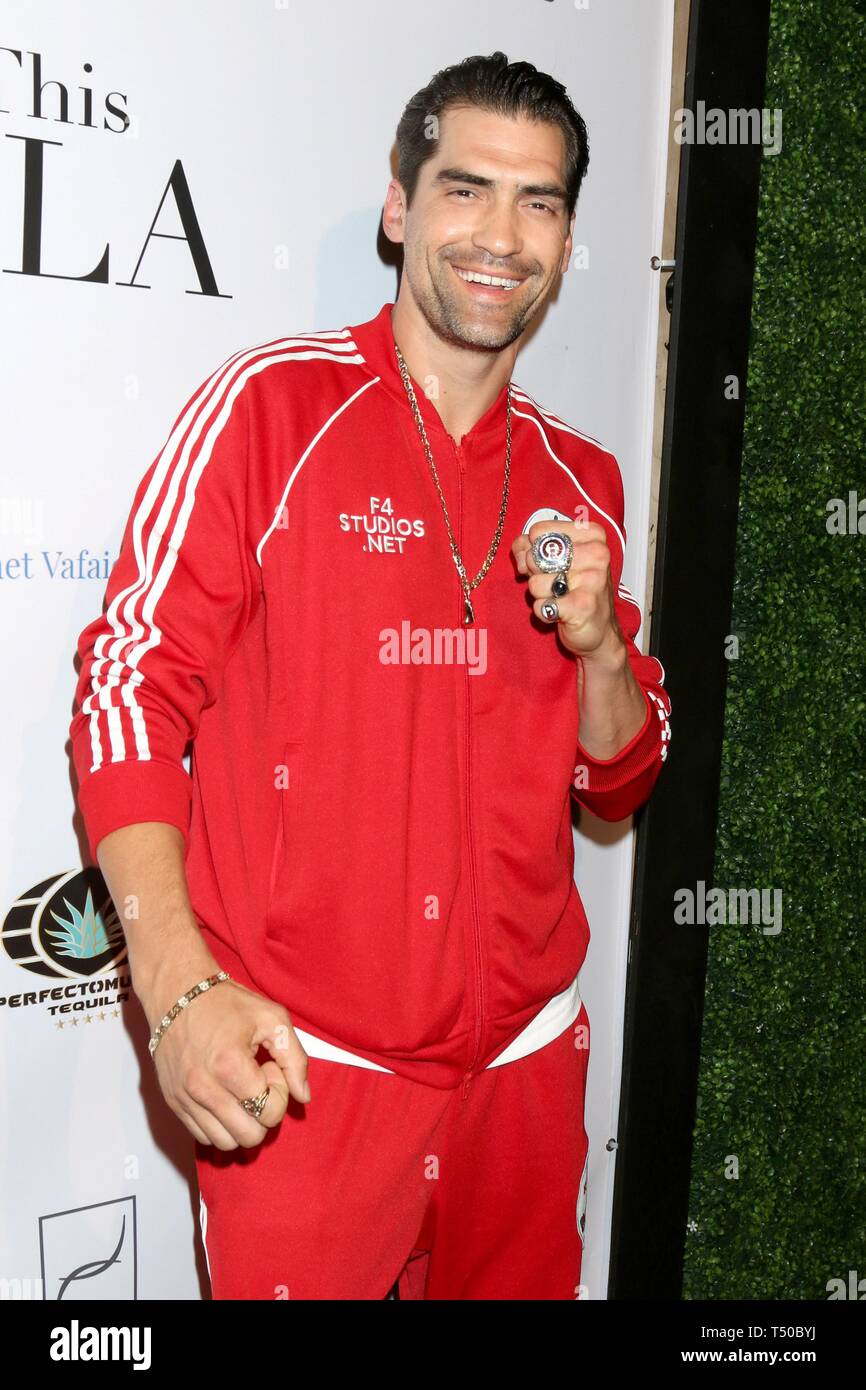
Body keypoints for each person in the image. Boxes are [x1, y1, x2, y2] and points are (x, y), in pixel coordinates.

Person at [69, 50, 671, 1300]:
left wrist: (603, 647)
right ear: (400, 208)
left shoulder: (585, 479)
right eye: (464, 189)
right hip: (303, 1076)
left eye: (539, 202)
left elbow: (617, 784)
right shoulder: (267, 410)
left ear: (566, 242)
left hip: (523, 1076)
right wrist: (177, 988)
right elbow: (128, 689)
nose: (499, 234)